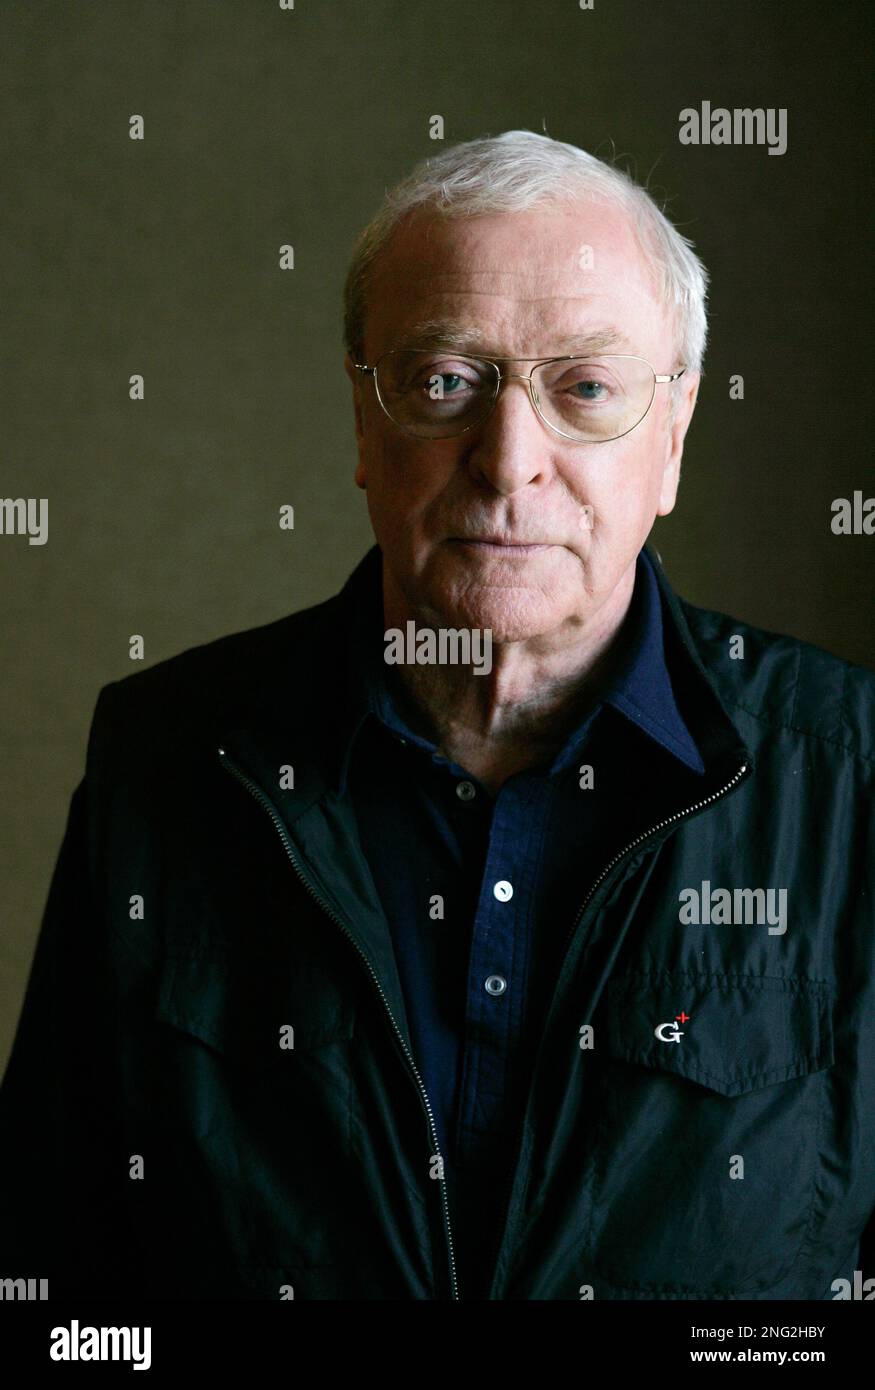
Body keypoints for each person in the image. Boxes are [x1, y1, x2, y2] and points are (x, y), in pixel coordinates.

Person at [1, 130, 873, 1301]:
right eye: (443, 381)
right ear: (364, 425)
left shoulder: (850, 772)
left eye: (586, 389)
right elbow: (54, 1274)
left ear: (669, 440)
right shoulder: (165, 760)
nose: (509, 459)